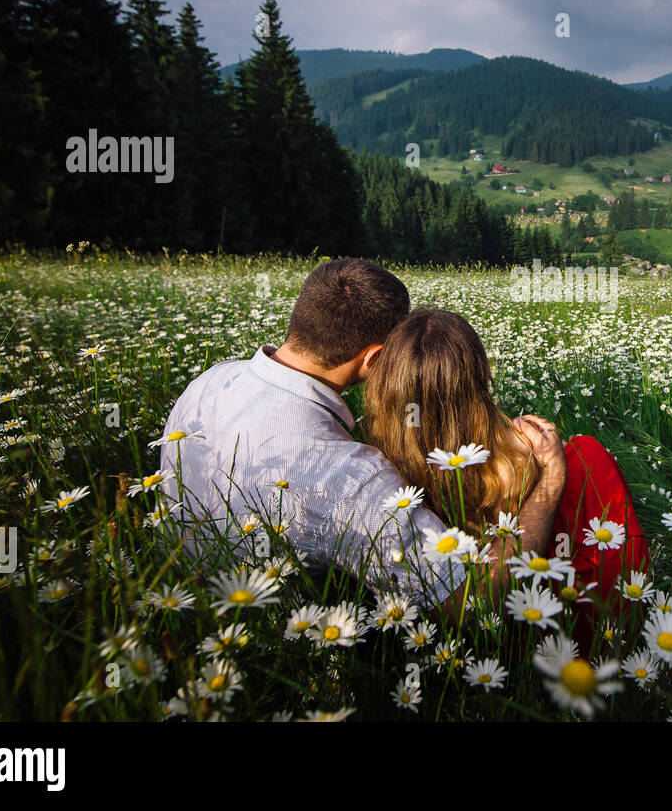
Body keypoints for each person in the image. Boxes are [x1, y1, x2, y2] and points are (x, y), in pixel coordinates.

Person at [154, 258, 568, 625]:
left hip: (178, 602)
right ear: (373, 359)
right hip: (287, 638)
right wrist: (550, 482)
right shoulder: (349, 476)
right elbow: (469, 602)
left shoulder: (211, 380)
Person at [364, 308, 651, 651]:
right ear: (479, 379)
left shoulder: (376, 475)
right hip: (553, 637)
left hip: (471, 648)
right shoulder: (525, 457)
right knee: (586, 456)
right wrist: (554, 467)